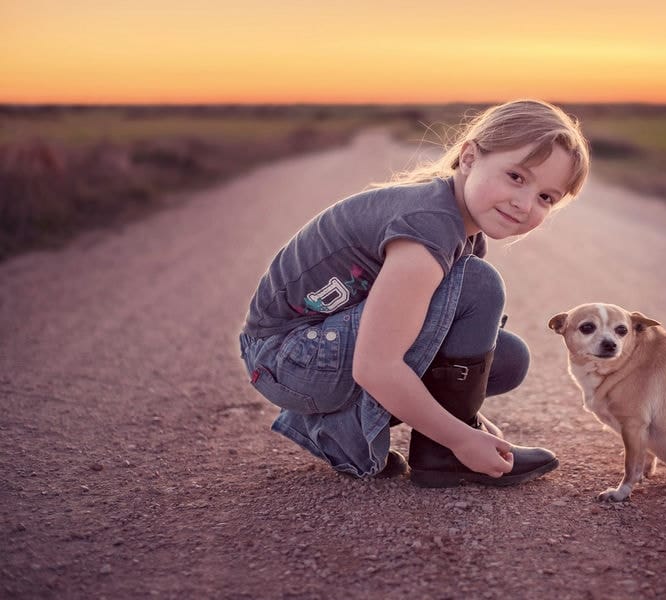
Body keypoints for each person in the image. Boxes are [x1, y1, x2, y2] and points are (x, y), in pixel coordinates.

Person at [238, 99, 591, 487]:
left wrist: (476, 428)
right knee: (478, 285)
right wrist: (460, 440)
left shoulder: (460, 227)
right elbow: (375, 366)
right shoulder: (428, 225)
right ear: (470, 157)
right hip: (289, 357)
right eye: (516, 177)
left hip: (311, 354)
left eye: (546, 198)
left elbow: (429, 341)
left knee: (505, 357)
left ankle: (342, 430)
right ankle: (439, 456)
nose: (524, 204)